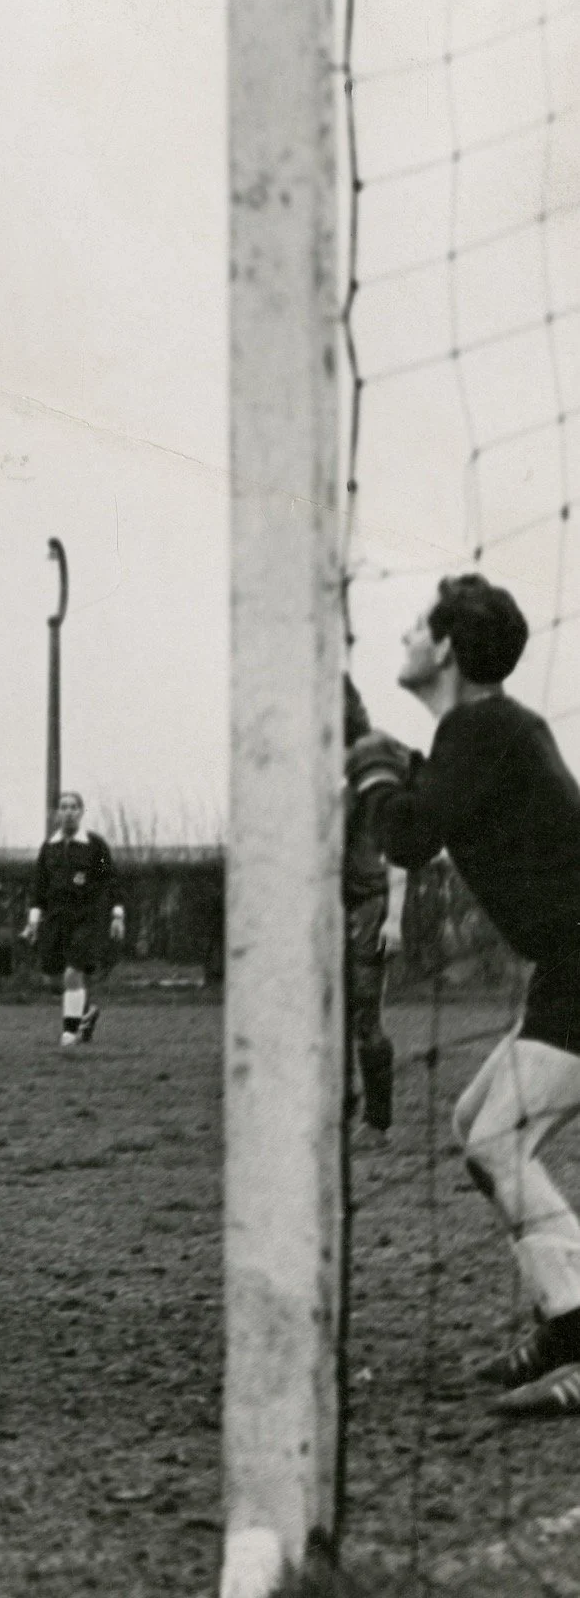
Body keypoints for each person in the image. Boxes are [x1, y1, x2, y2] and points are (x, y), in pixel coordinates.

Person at [350, 572, 580, 1418]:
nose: (406, 636)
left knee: (495, 1142)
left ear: (446, 647)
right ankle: (561, 1323)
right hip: (569, 970)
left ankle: (578, 1330)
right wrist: (378, 754)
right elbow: (429, 800)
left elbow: (409, 835)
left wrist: (372, 768)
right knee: (475, 1126)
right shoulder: (484, 733)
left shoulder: (483, 728)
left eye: (419, 625)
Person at [343, 676, 406, 1146]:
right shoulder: (308, 760)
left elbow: (398, 844)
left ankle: (377, 1122)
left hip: (366, 904)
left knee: (365, 1013)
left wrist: (395, 915)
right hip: (322, 909)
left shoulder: (372, 755)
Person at [22, 793, 125, 1049]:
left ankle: (69, 1034)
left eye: (73, 807)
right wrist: (33, 922)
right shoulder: (49, 847)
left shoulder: (95, 845)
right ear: (57, 813)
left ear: (81, 812)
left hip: (87, 918)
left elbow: (111, 880)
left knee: (72, 973)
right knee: (53, 980)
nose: (68, 812)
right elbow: (39, 888)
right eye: (64, 807)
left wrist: (117, 915)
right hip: (56, 920)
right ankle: (86, 1012)